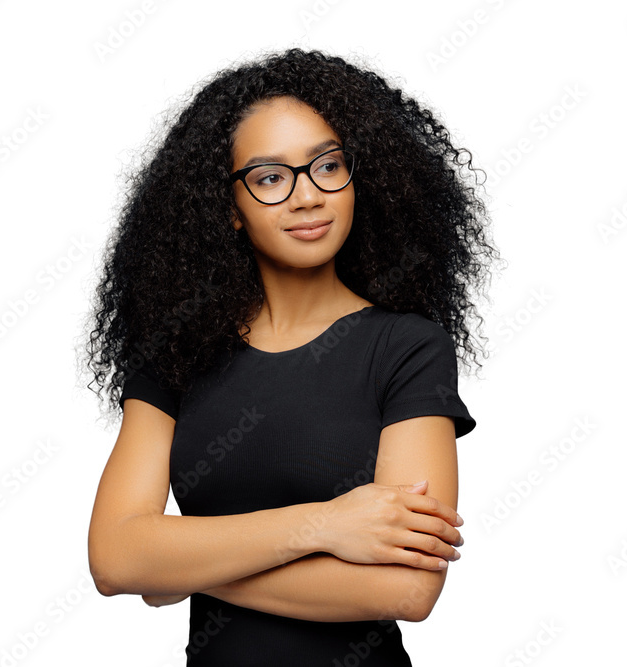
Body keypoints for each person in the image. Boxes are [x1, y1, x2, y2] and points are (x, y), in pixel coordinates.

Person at [81, 47, 499, 666]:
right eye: (270, 177)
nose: (307, 196)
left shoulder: (407, 347)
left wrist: (177, 566)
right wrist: (327, 526)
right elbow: (114, 559)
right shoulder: (178, 351)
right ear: (228, 208)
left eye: (327, 166)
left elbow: (405, 588)